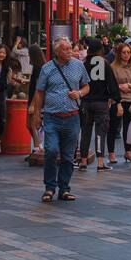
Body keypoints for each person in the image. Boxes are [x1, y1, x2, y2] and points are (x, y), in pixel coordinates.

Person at [28, 37, 91, 202]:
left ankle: (64, 188)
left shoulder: (78, 65)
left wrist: (80, 93)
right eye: (66, 49)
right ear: (57, 52)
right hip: (52, 117)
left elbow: (87, 85)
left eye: (70, 48)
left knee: (68, 156)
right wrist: (36, 114)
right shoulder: (47, 68)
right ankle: (49, 187)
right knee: (51, 151)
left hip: (72, 117)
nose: (70, 51)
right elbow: (39, 91)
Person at [78, 39, 119, 171]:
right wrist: (114, 98)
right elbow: (112, 84)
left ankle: (83, 161)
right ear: (100, 50)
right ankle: (100, 162)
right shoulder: (104, 64)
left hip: (86, 101)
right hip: (101, 102)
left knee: (85, 131)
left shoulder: (83, 64)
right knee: (100, 132)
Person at [110, 40, 131, 164]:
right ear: (119, 53)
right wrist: (119, 86)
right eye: (124, 52)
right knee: (113, 127)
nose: (126, 55)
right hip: (117, 100)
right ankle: (111, 153)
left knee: (128, 128)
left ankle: (128, 152)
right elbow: (110, 84)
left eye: (129, 52)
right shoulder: (113, 67)